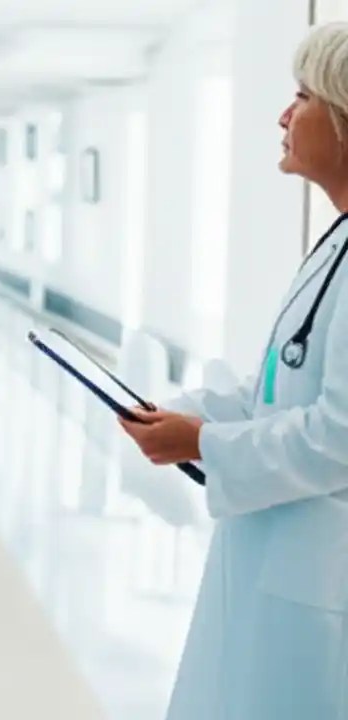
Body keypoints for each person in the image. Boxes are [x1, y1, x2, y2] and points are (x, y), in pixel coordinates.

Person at [120, 21, 348, 720]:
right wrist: (185, 414)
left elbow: (338, 435)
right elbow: (281, 385)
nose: (284, 115)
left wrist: (200, 444)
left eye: (303, 96)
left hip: (317, 583)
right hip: (281, 565)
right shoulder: (336, 240)